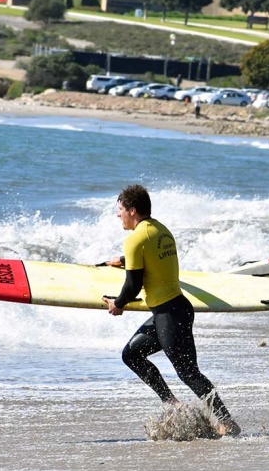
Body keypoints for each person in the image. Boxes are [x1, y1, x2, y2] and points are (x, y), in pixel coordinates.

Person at [102, 184, 239, 436]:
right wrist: (121, 261)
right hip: (174, 310)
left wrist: (118, 304)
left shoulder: (134, 239)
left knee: (189, 373)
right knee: (131, 355)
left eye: (120, 210)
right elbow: (153, 258)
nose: (117, 215)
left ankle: (226, 421)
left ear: (132, 210)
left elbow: (133, 284)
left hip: (169, 315)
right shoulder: (161, 230)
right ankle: (171, 402)